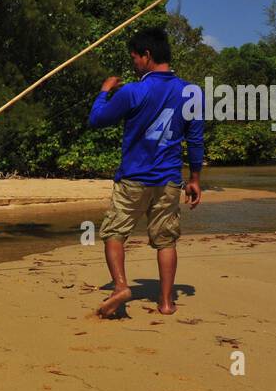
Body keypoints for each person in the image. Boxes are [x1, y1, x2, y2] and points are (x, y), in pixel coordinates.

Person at [87, 26, 203, 317]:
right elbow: (196, 139)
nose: (134, 64)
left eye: (135, 58)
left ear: (147, 56)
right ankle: (166, 303)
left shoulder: (133, 91)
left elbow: (97, 120)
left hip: (133, 179)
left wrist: (104, 92)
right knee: (166, 240)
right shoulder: (190, 92)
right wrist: (196, 179)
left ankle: (121, 286)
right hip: (168, 181)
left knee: (114, 232)